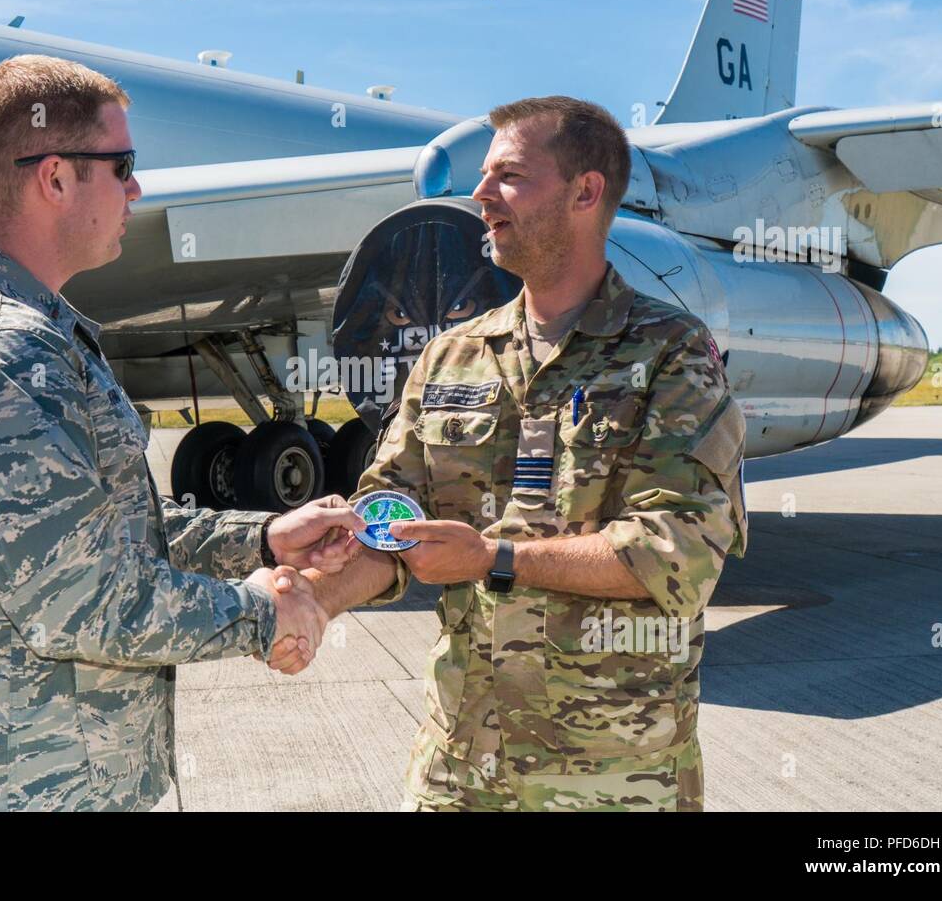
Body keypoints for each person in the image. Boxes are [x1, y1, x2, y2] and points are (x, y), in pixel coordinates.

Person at [0, 54, 367, 811]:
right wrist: (267, 613)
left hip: (52, 774)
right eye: (124, 165)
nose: (137, 189)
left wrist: (263, 539)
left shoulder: (28, 334)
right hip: (15, 785)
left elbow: (99, 535)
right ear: (56, 179)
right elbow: (81, 599)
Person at [319, 95, 748, 810]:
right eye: (483, 176)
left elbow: (679, 551)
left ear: (586, 191)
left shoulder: (671, 356)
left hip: (614, 776)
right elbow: (389, 515)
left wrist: (494, 560)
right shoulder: (451, 357)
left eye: (509, 176)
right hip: (462, 767)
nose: (480, 195)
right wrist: (308, 597)